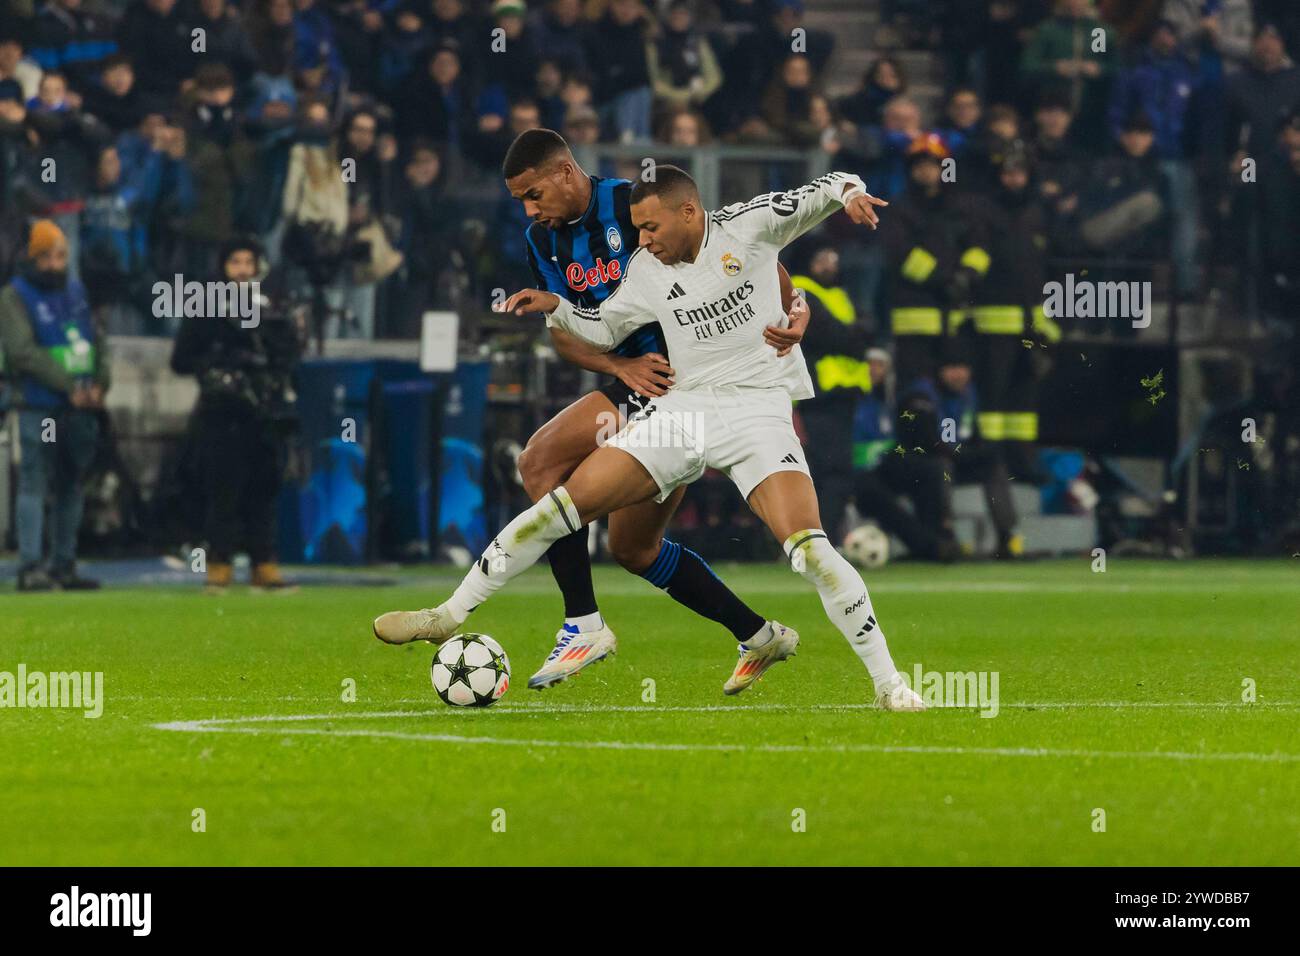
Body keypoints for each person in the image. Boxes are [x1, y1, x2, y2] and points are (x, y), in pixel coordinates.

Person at [374, 165, 925, 711]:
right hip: (681, 411)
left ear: (690, 211)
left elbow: (824, 187)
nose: (642, 241)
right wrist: (559, 307)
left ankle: (889, 685)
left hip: (757, 412)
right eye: (637, 230)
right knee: (563, 505)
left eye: (651, 228)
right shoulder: (643, 268)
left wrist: (850, 193)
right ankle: (449, 615)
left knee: (811, 554)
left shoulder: (748, 225)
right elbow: (601, 326)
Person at [483, 128, 808, 691]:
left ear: (566, 172)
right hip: (632, 382)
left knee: (540, 463)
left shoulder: (636, 205)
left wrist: (796, 310)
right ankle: (759, 636)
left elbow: (750, 257)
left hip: (684, 383)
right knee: (632, 548)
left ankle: (582, 625)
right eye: (521, 202)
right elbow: (562, 331)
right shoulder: (542, 241)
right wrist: (618, 368)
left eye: (534, 195)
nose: (531, 210)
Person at [169, 236, 301, 591]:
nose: (242, 270)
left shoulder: (274, 307)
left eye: (248, 262)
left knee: (264, 489)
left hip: (264, 411)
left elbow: (289, 355)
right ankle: (219, 565)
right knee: (222, 491)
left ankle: (265, 565)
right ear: (223, 267)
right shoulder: (206, 308)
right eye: (235, 263)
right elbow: (181, 359)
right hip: (222, 412)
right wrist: (217, 367)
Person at [0, 220, 107, 591]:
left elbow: (97, 339)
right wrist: (69, 386)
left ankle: (64, 564)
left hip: (78, 407)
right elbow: (22, 353)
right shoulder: (14, 296)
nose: (54, 263)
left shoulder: (76, 291)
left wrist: (100, 384)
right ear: (31, 258)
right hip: (39, 405)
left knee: (71, 482)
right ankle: (31, 566)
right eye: (46, 256)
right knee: (34, 478)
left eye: (60, 254)